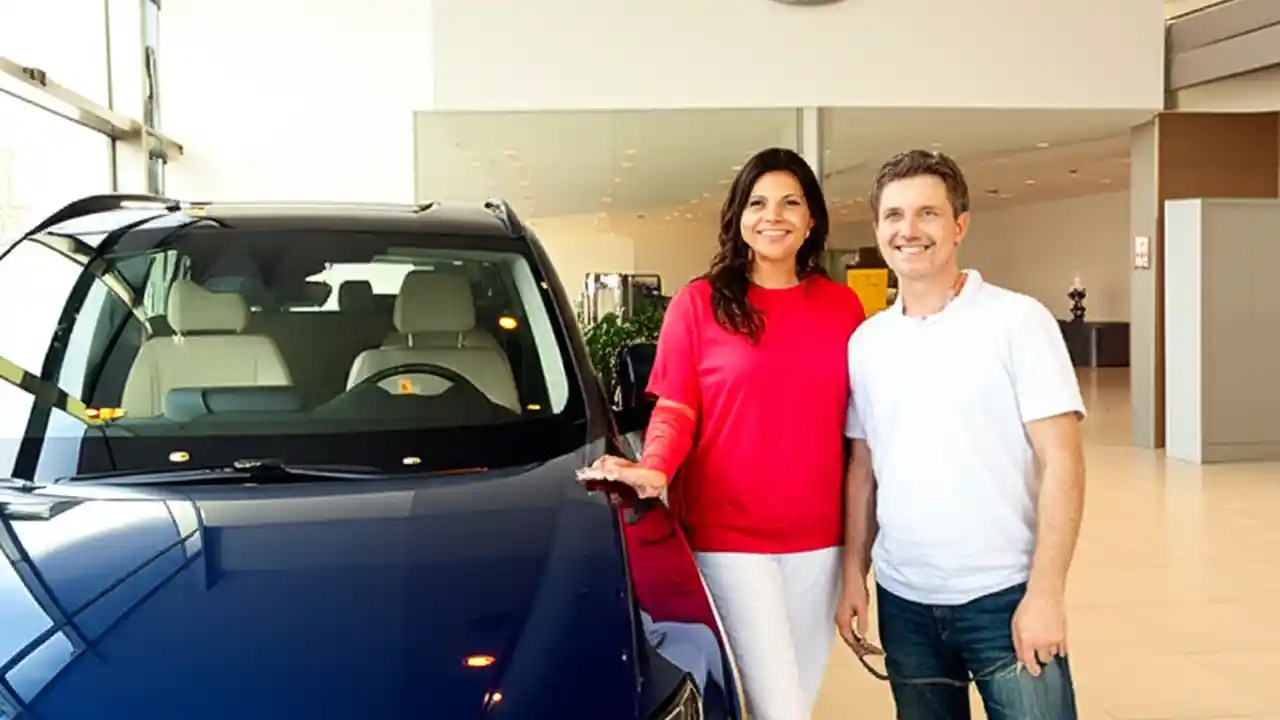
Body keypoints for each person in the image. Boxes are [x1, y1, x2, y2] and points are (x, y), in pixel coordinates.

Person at [579, 147, 866, 719]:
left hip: (819, 542)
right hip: (728, 538)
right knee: (784, 709)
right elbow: (676, 408)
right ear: (739, 216)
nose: (773, 215)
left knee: (790, 704)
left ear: (812, 220)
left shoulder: (842, 307)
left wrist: (858, 560)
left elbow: (862, 432)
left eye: (791, 202)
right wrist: (654, 465)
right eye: (758, 202)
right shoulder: (700, 303)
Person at [835, 148, 1087, 719]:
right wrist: (855, 572)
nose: (909, 230)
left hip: (1004, 595)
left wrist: (1045, 592)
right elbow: (863, 469)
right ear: (878, 229)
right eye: (894, 215)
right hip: (906, 602)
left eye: (928, 213)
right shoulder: (867, 342)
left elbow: (1063, 462)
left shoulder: (1018, 321)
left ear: (959, 225)